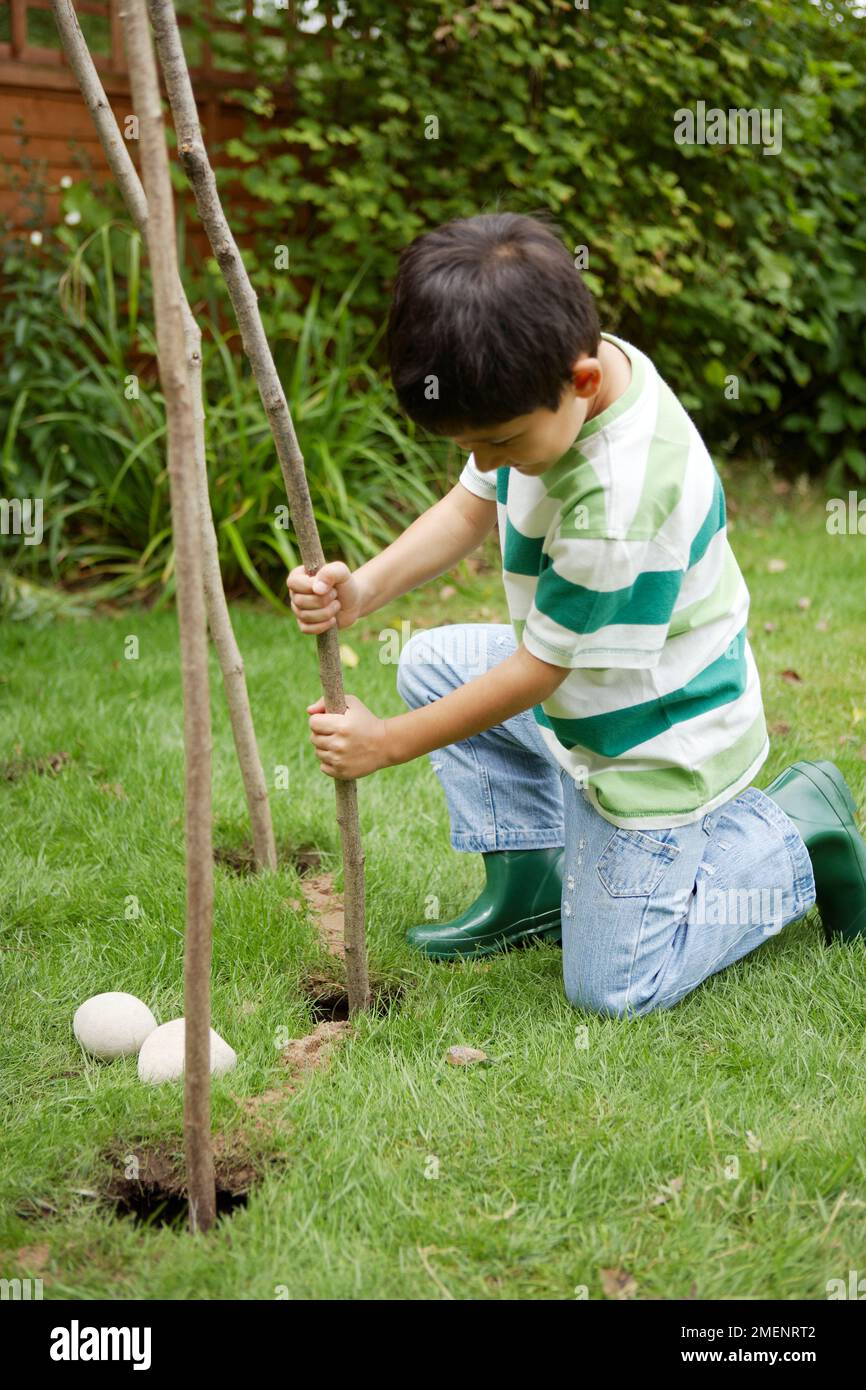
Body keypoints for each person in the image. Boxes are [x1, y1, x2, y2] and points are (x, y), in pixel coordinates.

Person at [287, 211, 866, 1019]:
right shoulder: (553, 374)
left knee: (615, 988)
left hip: (650, 741)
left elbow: (539, 671)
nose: (485, 462)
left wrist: (387, 745)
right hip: (589, 692)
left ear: (583, 382)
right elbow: (469, 506)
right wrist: (366, 589)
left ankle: (795, 827)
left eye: (498, 442)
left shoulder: (620, 501)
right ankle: (531, 883)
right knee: (431, 661)